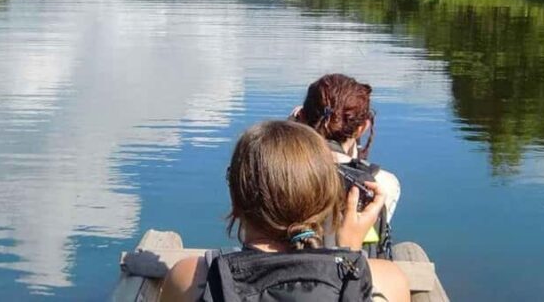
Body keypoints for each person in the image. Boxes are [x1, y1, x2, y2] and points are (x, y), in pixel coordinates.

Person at [159, 121, 410, 302]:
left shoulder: (192, 279)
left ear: (236, 200)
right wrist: (350, 257)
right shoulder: (386, 280)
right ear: (327, 200)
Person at [292, 74, 401, 223]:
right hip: (349, 244)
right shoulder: (383, 182)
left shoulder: (276, 170)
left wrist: (290, 130)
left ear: (301, 118)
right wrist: (354, 157)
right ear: (362, 128)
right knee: (409, 247)